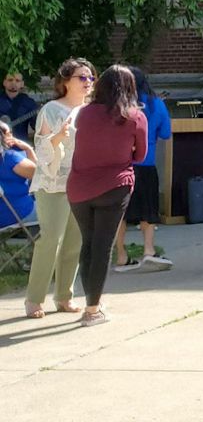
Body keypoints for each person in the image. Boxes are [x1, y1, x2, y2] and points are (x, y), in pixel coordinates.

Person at [66, 65, 147, 326]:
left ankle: (92, 303)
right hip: (115, 184)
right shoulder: (135, 116)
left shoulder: (84, 113)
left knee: (88, 244)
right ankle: (92, 310)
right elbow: (140, 155)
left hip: (79, 186)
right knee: (102, 246)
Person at [25, 58, 94, 319]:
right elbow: (42, 150)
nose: (88, 81)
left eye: (91, 77)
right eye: (82, 77)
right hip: (53, 183)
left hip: (82, 181)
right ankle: (34, 299)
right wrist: (57, 137)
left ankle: (64, 296)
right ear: (65, 81)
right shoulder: (51, 110)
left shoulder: (92, 110)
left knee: (75, 240)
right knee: (51, 238)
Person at [113, 67, 173, 272]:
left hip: (121, 166)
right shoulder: (156, 104)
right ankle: (149, 250)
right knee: (148, 210)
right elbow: (166, 133)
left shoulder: (116, 105)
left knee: (120, 213)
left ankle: (121, 255)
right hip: (146, 163)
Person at [0, 121, 36, 230]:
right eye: (9, 133)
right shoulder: (10, 157)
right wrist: (28, 149)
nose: (12, 136)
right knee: (58, 205)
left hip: (3, 217)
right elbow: (40, 177)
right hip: (19, 213)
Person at [0, 71, 39, 143]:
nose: (13, 83)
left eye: (17, 81)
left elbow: (36, 127)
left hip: (19, 146)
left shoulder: (28, 102)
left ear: (22, 84)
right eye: (10, 80)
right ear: (4, 82)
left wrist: (40, 116)